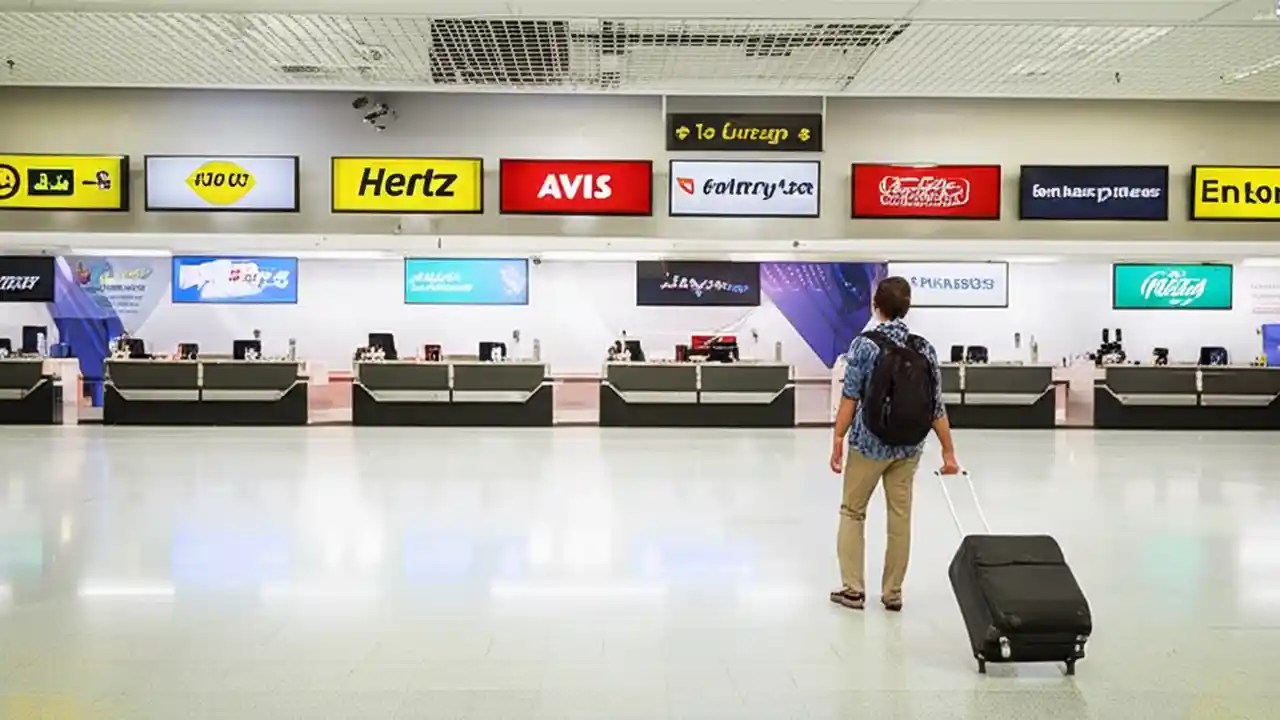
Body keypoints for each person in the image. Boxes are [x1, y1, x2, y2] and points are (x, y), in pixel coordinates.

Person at [828, 276, 960, 612]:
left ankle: (853, 590)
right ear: (907, 306)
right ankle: (893, 592)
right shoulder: (924, 347)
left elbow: (850, 398)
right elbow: (936, 406)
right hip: (908, 447)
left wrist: (838, 438)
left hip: (868, 444)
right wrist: (948, 450)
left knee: (853, 511)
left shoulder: (864, 345)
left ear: (876, 305)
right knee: (899, 516)